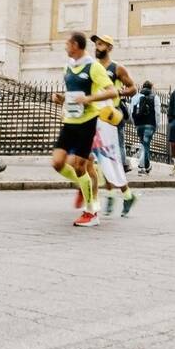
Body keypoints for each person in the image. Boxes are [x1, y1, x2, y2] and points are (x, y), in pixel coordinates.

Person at [51, 32, 119, 227]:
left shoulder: (94, 67)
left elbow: (112, 91)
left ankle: (91, 212)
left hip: (87, 121)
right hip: (70, 121)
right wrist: (62, 99)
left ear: (75, 46)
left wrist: (89, 99)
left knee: (81, 166)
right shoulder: (67, 67)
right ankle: (83, 185)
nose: (65, 47)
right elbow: (73, 95)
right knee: (57, 163)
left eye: (67, 44)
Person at [92, 34, 136, 176]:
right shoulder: (92, 67)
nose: (96, 47)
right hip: (95, 111)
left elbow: (133, 88)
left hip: (113, 111)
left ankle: (121, 168)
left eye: (100, 44)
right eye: (96, 44)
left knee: (117, 141)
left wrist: (119, 92)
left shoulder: (117, 68)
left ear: (109, 48)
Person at [130, 80, 162, 175]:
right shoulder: (155, 97)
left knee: (143, 144)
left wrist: (135, 123)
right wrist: (157, 125)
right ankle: (142, 167)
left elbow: (131, 112)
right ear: (151, 88)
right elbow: (157, 113)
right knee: (145, 145)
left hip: (139, 125)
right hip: (150, 124)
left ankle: (147, 166)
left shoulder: (135, 97)